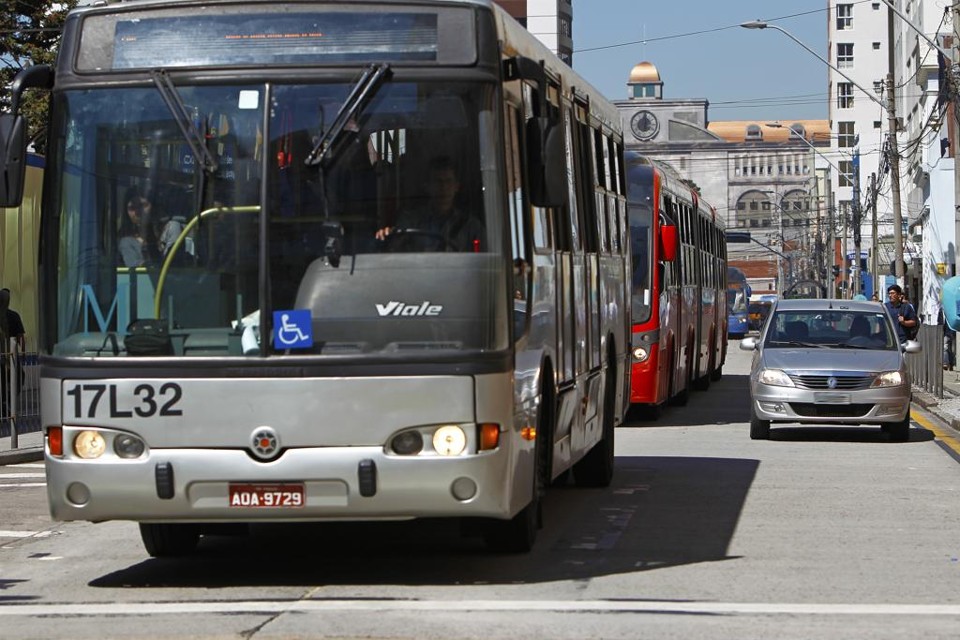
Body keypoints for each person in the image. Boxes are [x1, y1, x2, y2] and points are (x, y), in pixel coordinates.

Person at [374, 156, 483, 252]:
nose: (443, 188)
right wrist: (386, 235)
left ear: (457, 187)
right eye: (438, 181)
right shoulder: (410, 221)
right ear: (427, 186)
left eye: (448, 181)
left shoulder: (471, 227)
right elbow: (392, 250)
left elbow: (485, 261)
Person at [0, 288, 25, 422]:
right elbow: (21, 336)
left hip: (6, 356)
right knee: (18, 378)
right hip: (10, 357)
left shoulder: (11, 315)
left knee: (4, 382)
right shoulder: (13, 315)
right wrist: (23, 352)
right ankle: (7, 402)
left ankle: (5, 403)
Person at [118, 187, 155, 267]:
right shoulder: (126, 242)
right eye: (132, 208)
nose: (137, 212)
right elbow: (138, 273)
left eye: (142, 205)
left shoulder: (163, 233)